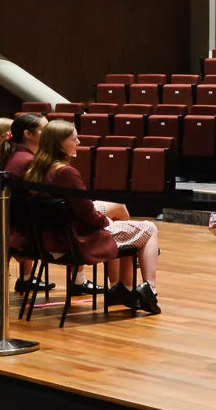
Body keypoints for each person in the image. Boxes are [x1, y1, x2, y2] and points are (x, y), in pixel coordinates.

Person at [31, 118, 163, 312]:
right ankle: (149, 289)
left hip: (51, 241)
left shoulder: (36, 169)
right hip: (78, 241)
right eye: (74, 139)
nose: (78, 143)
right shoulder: (66, 173)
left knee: (130, 230)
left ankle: (124, 288)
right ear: (60, 143)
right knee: (149, 228)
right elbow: (88, 215)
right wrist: (106, 221)